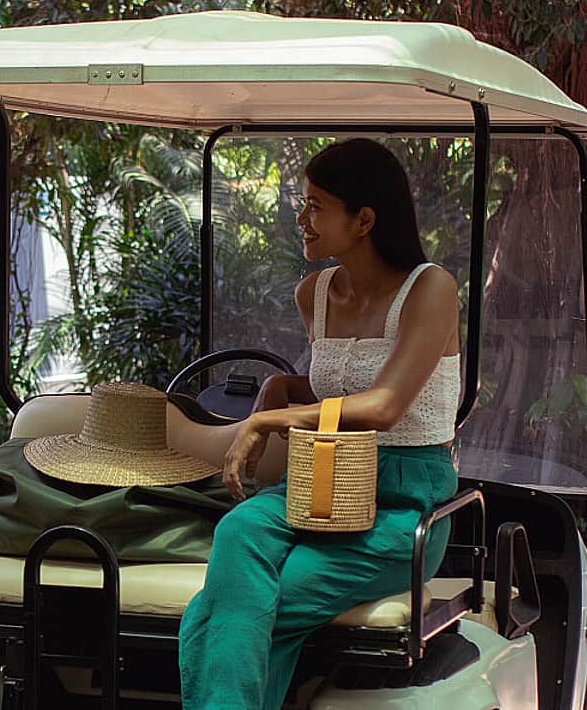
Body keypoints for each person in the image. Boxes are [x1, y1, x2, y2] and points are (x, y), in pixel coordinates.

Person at [177, 138, 461, 710]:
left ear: (364, 220)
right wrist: (278, 389)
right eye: (301, 202)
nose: (300, 218)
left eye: (315, 205)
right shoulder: (315, 294)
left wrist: (276, 420)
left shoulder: (431, 289)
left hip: (404, 504)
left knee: (232, 609)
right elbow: (337, 387)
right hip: (319, 484)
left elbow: (383, 405)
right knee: (237, 532)